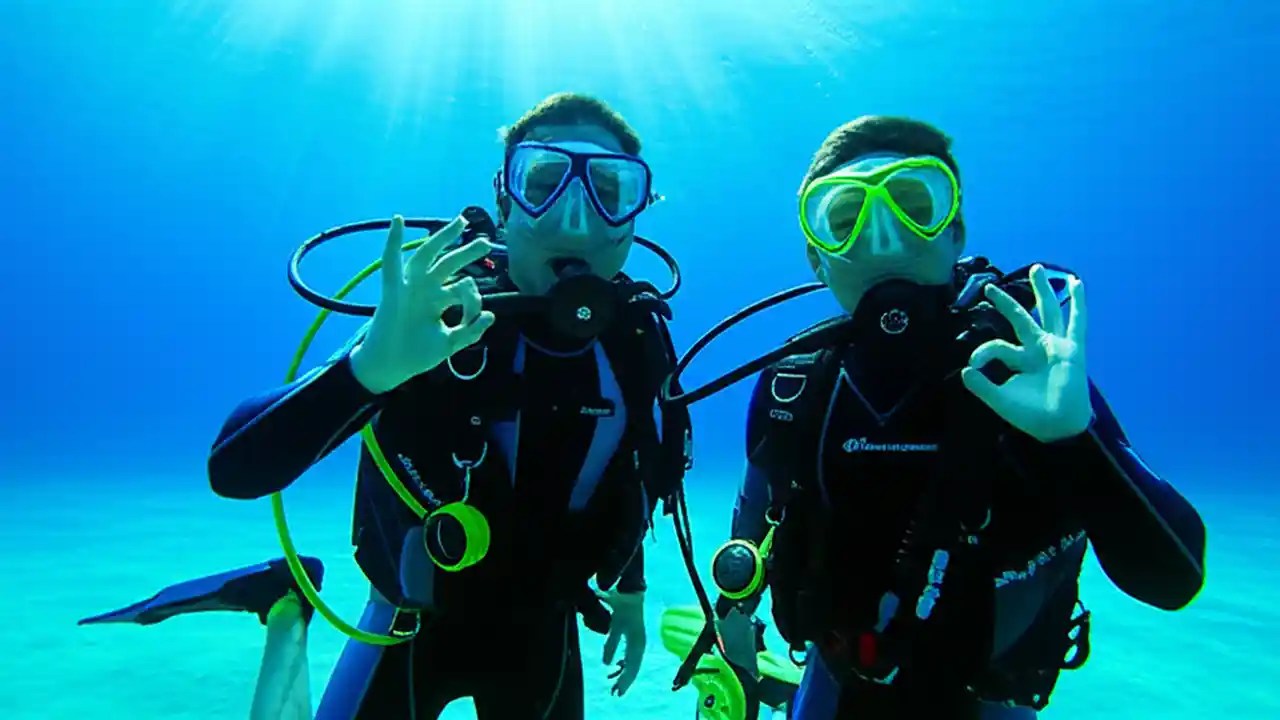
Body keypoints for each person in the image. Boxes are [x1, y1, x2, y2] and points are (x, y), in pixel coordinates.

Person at [206, 92, 693, 719]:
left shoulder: (634, 341)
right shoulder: (433, 311)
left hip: (543, 626)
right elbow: (235, 469)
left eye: (609, 189)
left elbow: (634, 474)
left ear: (635, 216)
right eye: (543, 182)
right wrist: (368, 372)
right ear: (504, 201)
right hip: (408, 622)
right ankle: (285, 614)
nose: (577, 221)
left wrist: (630, 594)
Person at [702, 115, 1206, 719]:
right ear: (818, 260)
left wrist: (1078, 439)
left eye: (915, 205)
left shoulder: (1025, 370)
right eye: (844, 219)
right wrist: (733, 617)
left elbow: (1173, 577)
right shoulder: (795, 386)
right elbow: (754, 517)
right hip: (837, 683)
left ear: (955, 230)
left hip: (991, 700)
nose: (882, 240)